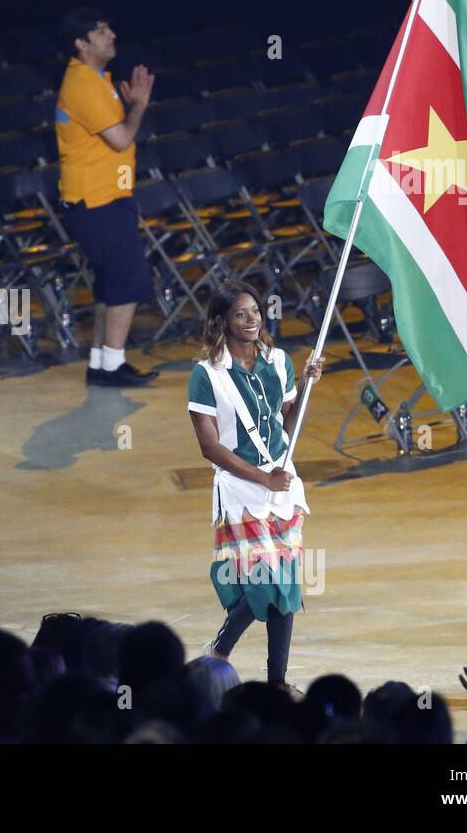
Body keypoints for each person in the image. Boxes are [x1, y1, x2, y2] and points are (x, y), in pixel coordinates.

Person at [186, 281, 323, 699]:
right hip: (243, 491)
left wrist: (305, 382)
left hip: (283, 486)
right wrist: (263, 479)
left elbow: (289, 421)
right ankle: (220, 649)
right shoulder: (205, 374)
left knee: (285, 585)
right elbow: (209, 446)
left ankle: (275, 680)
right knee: (268, 581)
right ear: (222, 321)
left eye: (256, 313)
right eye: (241, 314)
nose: (251, 321)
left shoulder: (278, 361)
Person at [54, 8, 158, 388]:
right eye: (100, 31)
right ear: (81, 44)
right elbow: (121, 139)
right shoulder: (82, 84)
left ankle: (103, 363)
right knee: (127, 280)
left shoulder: (97, 80)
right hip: (95, 201)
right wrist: (140, 107)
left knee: (110, 283)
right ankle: (111, 366)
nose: (111, 34)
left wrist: (132, 107)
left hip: (105, 197)